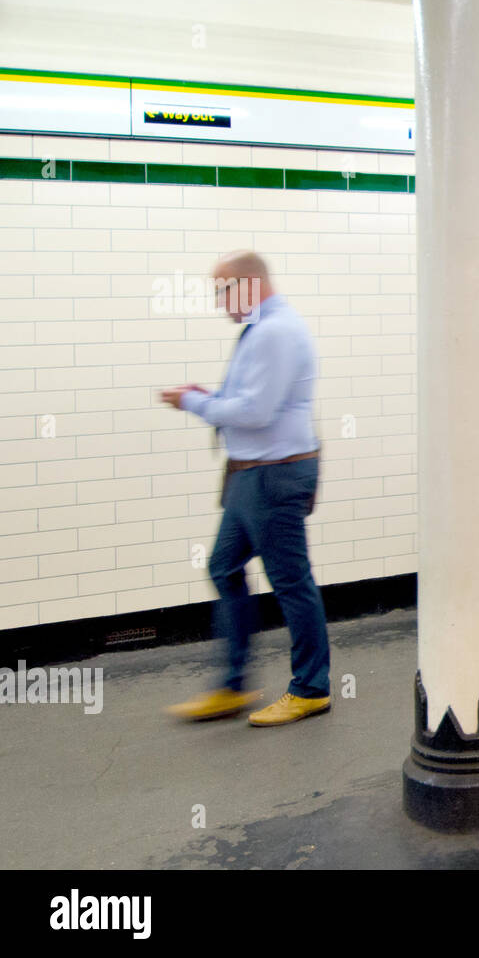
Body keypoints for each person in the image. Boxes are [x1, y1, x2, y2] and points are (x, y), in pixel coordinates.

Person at [159, 251, 332, 726]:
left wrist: (193, 402)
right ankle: (233, 686)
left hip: (273, 476)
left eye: (223, 290)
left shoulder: (276, 331)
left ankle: (311, 689)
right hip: (250, 475)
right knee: (223, 566)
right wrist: (211, 399)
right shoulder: (261, 329)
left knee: (292, 582)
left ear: (249, 284)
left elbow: (255, 412)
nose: (220, 302)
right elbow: (249, 403)